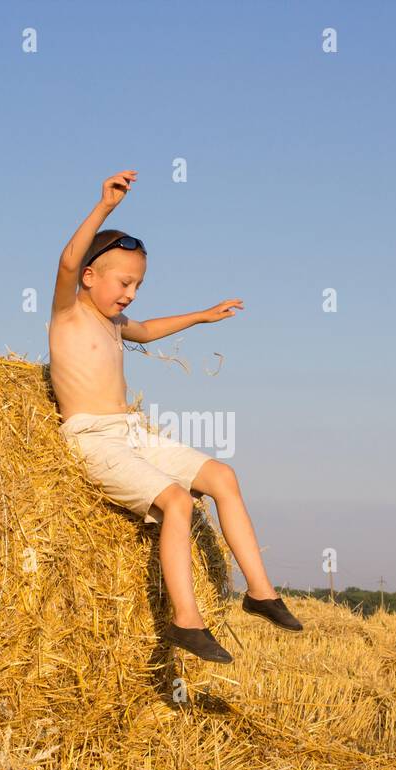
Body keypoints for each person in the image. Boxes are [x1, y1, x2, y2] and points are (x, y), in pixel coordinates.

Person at [48, 170, 303, 663]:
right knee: (178, 502)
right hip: (92, 439)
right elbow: (64, 261)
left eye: (138, 284)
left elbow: (147, 329)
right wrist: (105, 207)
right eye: (124, 282)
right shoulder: (68, 314)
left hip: (131, 433)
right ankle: (186, 620)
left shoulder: (115, 322)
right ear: (89, 276)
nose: (131, 294)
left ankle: (260, 592)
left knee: (222, 477)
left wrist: (202, 316)